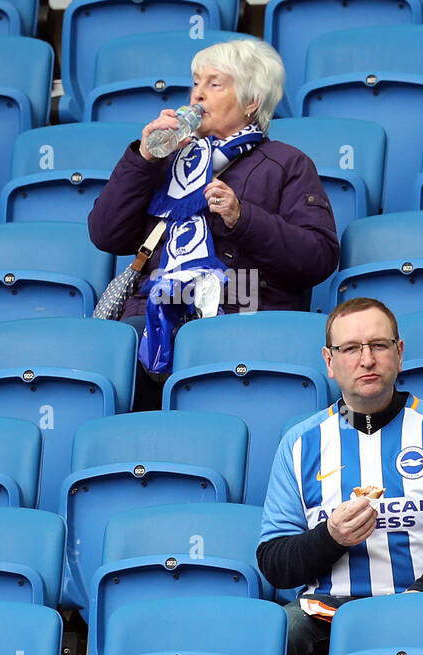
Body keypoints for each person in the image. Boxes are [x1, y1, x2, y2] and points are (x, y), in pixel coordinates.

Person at [257, 298, 423, 655]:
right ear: (329, 362)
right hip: (328, 616)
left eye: (379, 346)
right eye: (350, 349)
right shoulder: (300, 442)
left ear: (399, 354)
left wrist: (422, 596)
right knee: (280, 630)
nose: (366, 359)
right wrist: (330, 538)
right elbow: (274, 561)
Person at [87, 37, 340, 410]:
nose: (197, 95)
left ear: (251, 101)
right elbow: (106, 233)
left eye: (214, 83)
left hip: (241, 307)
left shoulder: (287, 163)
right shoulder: (167, 158)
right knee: (106, 361)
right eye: (195, 82)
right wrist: (142, 158)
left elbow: (318, 257)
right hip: (152, 308)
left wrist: (242, 218)